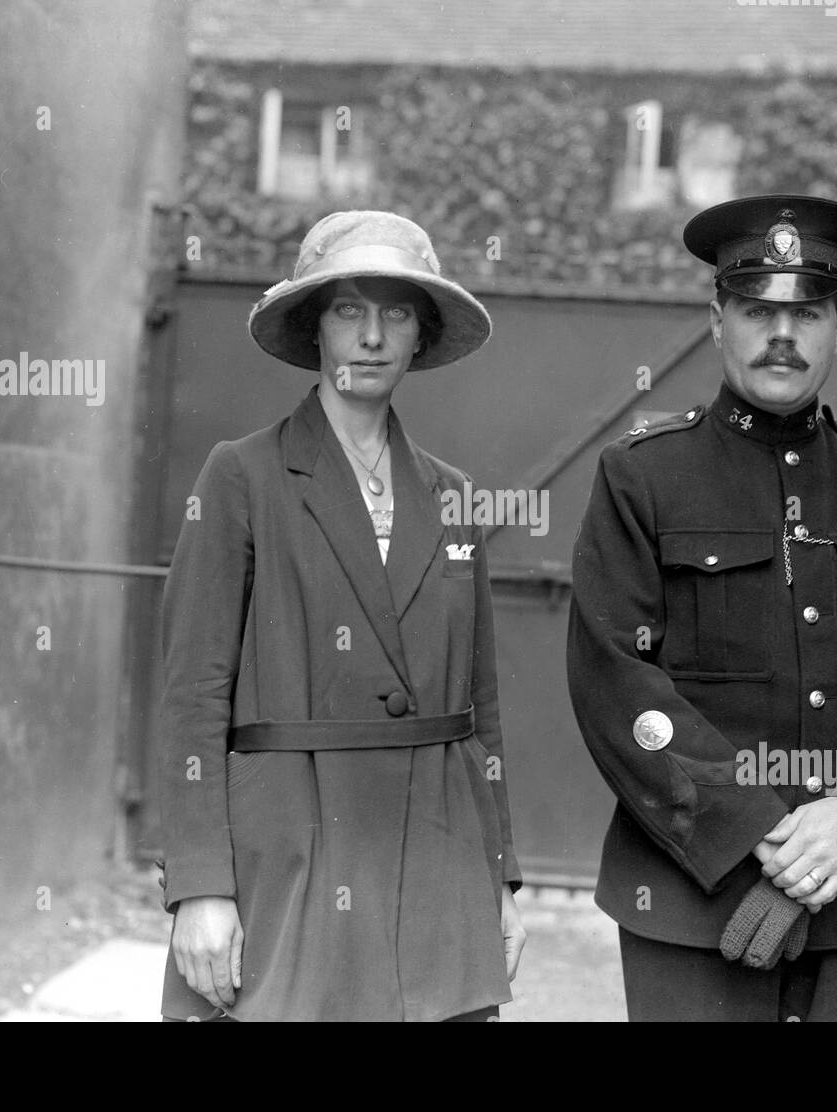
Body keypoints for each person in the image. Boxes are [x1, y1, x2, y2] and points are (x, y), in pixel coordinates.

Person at [565, 195, 837, 1021]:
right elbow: (617, 679)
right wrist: (756, 829)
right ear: (718, 319)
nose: (781, 334)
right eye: (757, 310)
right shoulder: (641, 477)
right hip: (691, 900)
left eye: (806, 312)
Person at [158, 210, 525, 1021]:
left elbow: (482, 709)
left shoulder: (455, 495)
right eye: (348, 310)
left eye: (396, 312)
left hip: (438, 850)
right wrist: (199, 885)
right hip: (291, 845)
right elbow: (192, 696)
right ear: (316, 328)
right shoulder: (242, 476)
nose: (371, 335)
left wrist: (497, 877)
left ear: (422, 336)